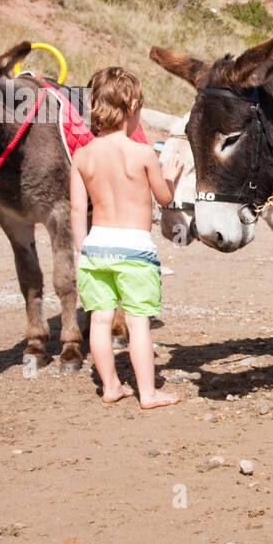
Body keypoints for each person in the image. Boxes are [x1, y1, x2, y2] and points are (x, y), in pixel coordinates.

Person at [70, 67, 183, 408]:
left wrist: (83, 250)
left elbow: (77, 211)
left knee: (100, 320)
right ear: (133, 105)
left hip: (95, 247)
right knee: (138, 322)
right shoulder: (143, 153)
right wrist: (172, 176)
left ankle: (110, 387)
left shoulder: (83, 155)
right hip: (134, 248)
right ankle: (147, 393)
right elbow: (163, 199)